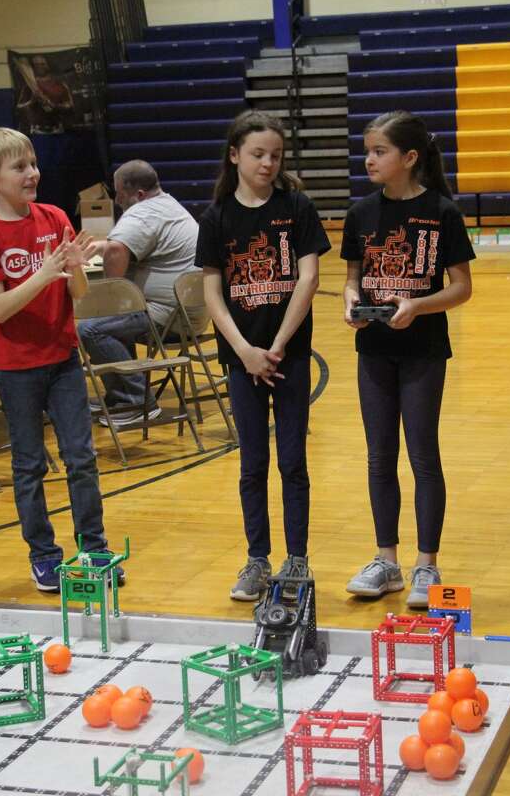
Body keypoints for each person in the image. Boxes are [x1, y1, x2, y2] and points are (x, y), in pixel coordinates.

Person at [0, 127, 122, 593]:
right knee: (30, 464)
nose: (32, 173)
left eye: (32, 164)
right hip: (15, 366)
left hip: (62, 357)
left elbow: (78, 293)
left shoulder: (54, 217)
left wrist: (72, 267)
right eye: (19, 167)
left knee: (82, 457)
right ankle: (43, 555)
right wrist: (45, 271)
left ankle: (94, 548)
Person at [340, 111, 474, 609]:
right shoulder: (360, 214)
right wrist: (350, 301)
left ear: (409, 158)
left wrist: (417, 305)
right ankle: (386, 561)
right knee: (379, 457)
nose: (369, 159)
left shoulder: (443, 213)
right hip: (373, 349)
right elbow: (354, 277)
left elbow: (461, 287)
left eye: (379, 151)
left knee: (422, 455)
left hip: (422, 351)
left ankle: (426, 564)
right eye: (368, 150)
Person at [196, 110, 330, 601]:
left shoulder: (296, 206)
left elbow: (309, 278)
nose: (268, 163)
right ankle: (257, 559)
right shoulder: (215, 218)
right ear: (235, 155)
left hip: (287, 358)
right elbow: (212, 294)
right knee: (252, 464)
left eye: (275, 155)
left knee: (292, 462)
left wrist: (274, 347)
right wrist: (246, 351)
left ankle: (297, 561)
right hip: (242, 360)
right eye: (258, 154)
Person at [82, 159, 205, 426]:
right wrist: (102, 245)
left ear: (137, 194)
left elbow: (118, 250)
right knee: (114, 320)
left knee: (91, 327)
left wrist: (110, 296)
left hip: (169, 318)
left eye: (119, 193)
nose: (116, 200)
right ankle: (119, 395)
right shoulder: (167, 204)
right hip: (190, 313)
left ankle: (137, 402)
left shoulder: (142, 212)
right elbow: (121, 244)